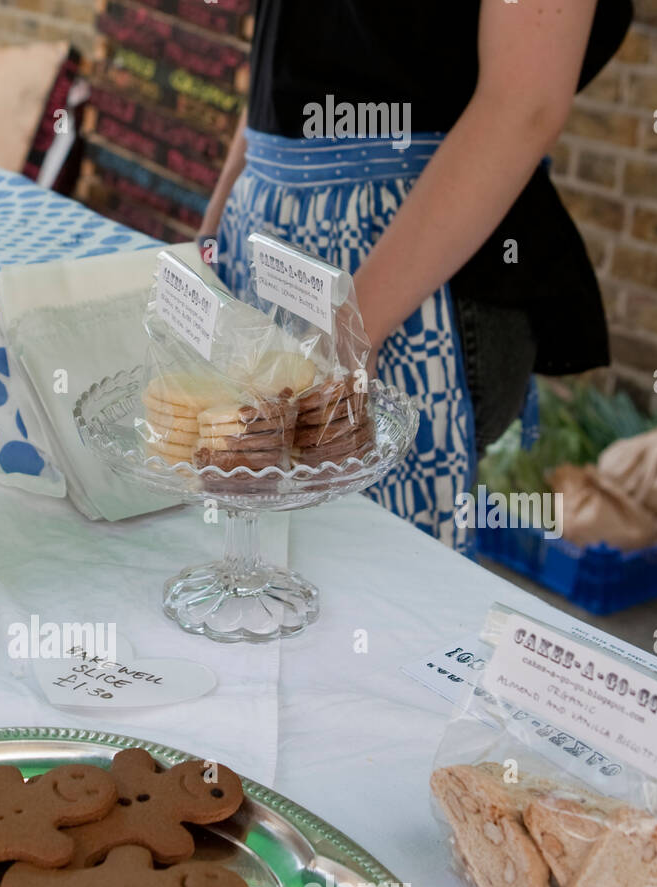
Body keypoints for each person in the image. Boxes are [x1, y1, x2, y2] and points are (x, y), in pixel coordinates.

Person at [202, 0, 631, 550]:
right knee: (252, 547)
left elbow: (525, 102)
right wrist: (215, 226)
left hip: (405, 270)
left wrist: (354, 323)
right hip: (263, 225)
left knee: (362, 577)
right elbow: (287, 55)